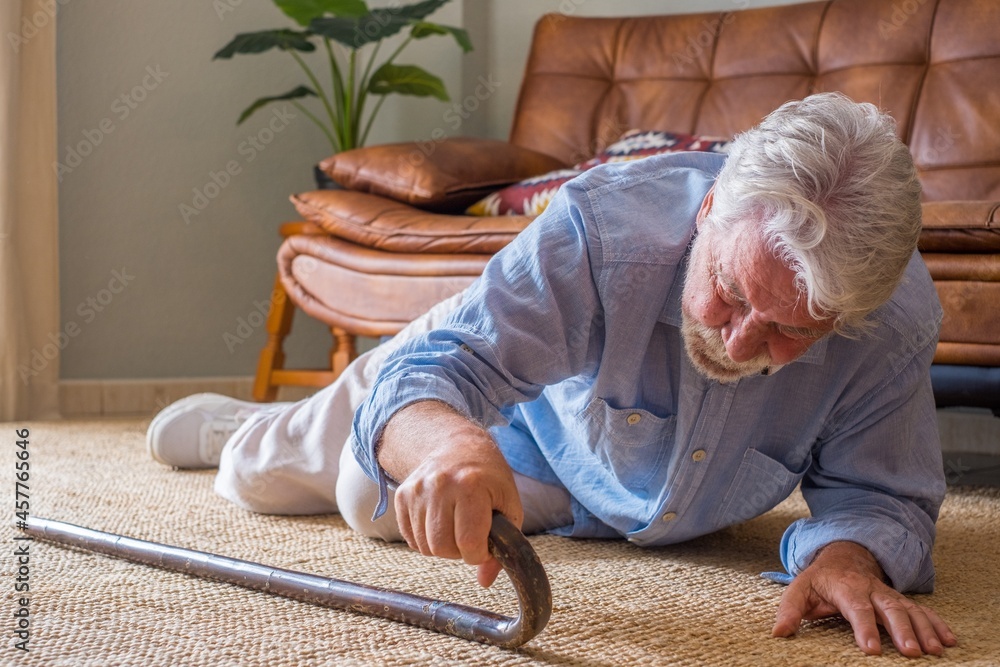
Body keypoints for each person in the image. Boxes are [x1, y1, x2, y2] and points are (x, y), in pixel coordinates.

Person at [148, 93, 956, 658]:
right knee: (304, 484)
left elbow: (878, 493)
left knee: (385, 508)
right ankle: (247, 427)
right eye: (733, 292)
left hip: (606, 488)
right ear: (709, 210)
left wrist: (849, 555)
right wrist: (451, 445)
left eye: (789, 330)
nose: (742, 340)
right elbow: (445, 370)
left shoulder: (888, 316)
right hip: (526, 419)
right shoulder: (603, 228)